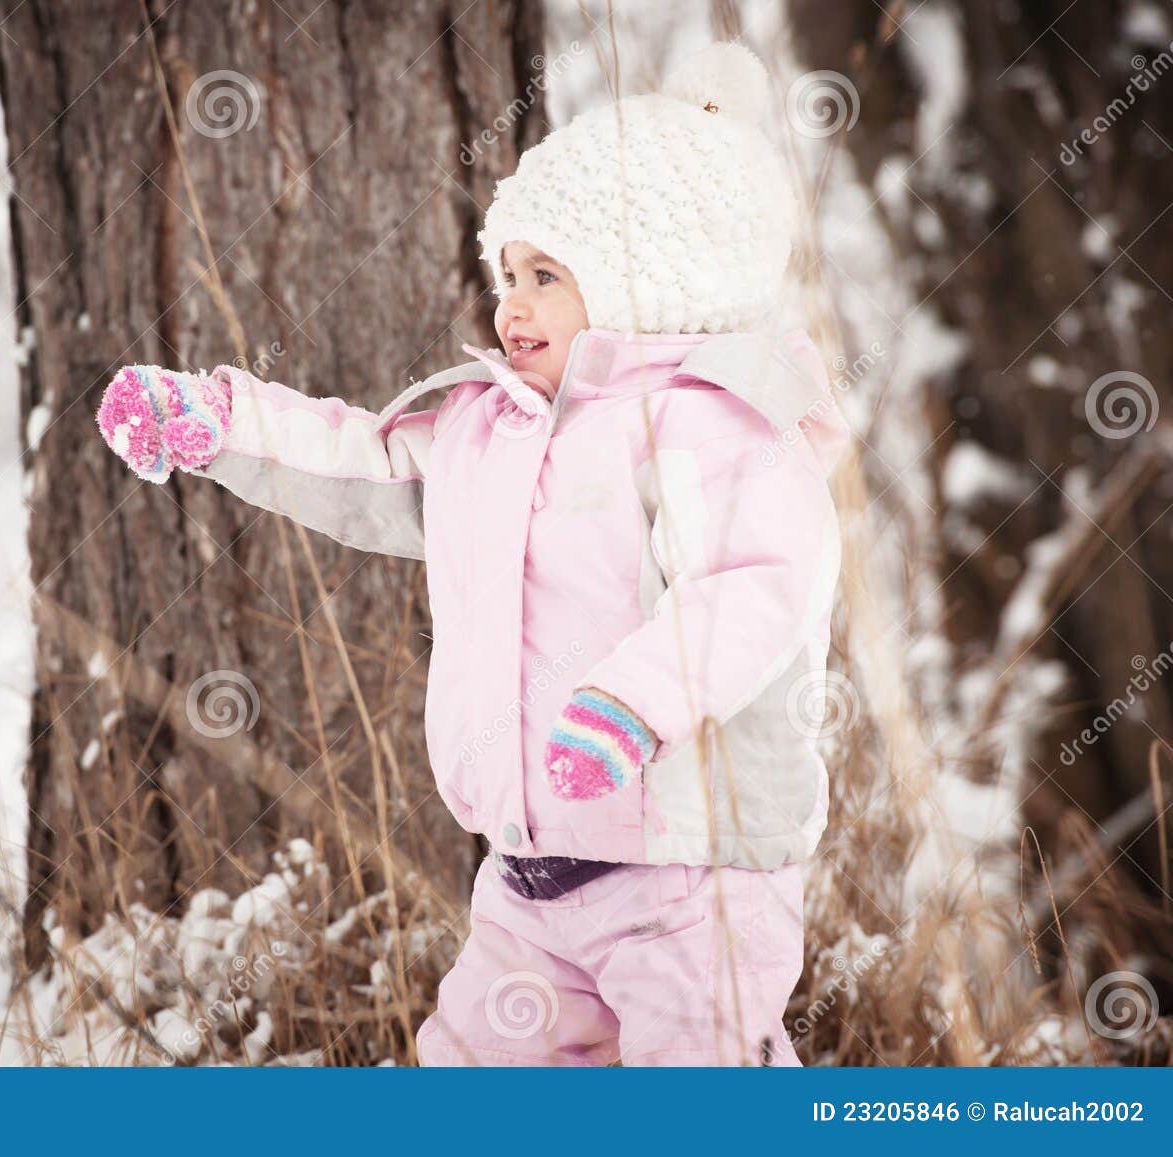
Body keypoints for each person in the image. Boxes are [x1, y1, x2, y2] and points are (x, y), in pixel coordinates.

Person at [94, 40, 850, 1066]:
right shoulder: (492, 433)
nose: (512, 303)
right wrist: (219, 422)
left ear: (648, 276)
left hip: (693, 870)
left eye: (546, 273)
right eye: (506, 273)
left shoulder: (717, 427)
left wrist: (632, 704)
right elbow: (363, 464)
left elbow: (752, 589)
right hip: (530, 876)